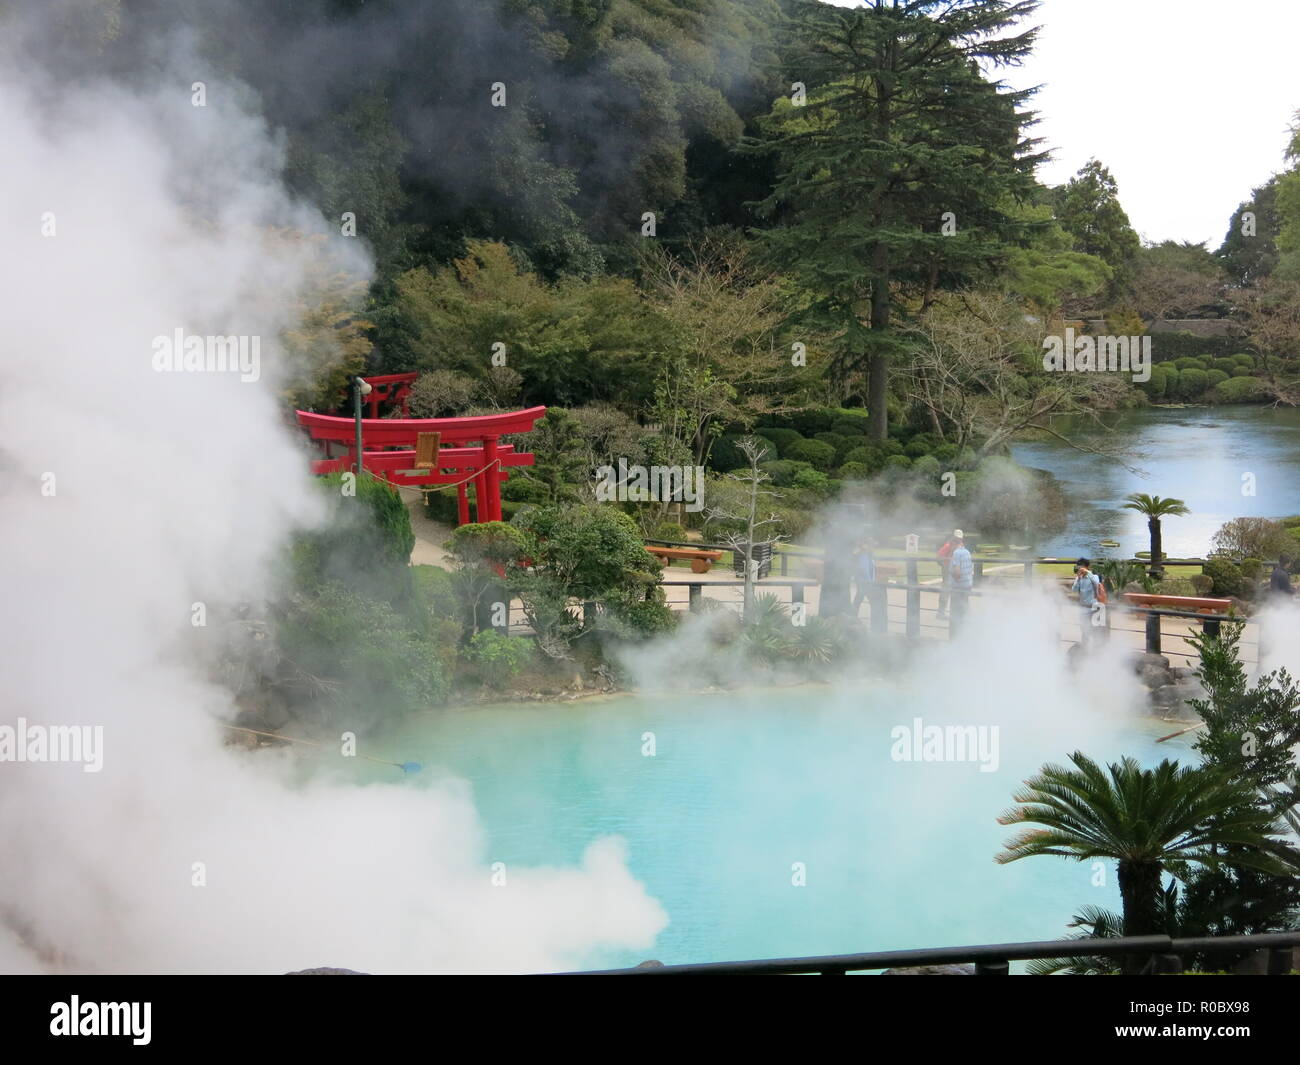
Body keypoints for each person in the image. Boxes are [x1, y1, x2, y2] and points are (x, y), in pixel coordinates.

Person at [1070, 558, 1104, 647]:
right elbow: (1074, 590)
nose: (1080, 569)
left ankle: (1097, 650)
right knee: (1084, 630)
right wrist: (1078, 579)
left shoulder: (1094, 576)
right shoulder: (1079, 578)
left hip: (1094, 607)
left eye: (1082, 567)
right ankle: (1085, 650)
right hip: (1083, 607)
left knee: (1096, 631)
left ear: (1088, 567)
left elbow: (1097, 583)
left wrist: (1088, 573)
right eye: (1079, 567)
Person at [948, 531, 974, 632]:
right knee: (963, 610)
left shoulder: (956, 553)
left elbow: (957, 573)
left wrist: (951, 572)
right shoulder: (967, 552)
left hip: (958, 587)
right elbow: (970, 569)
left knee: (955, 613)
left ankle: (955, 635)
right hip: (967, 585)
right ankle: (963, 634)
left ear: (954, 543)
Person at [935, 531, 957, 619]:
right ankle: (940, 613)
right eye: (956, 539)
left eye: (959, 539)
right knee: (945, 591)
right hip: (947, 571)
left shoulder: (960, 545)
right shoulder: (948, 546)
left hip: (955, 571)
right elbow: (938, 557)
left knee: (956, 591)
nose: (958, 541)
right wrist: (945, 565)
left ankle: (957, 613)